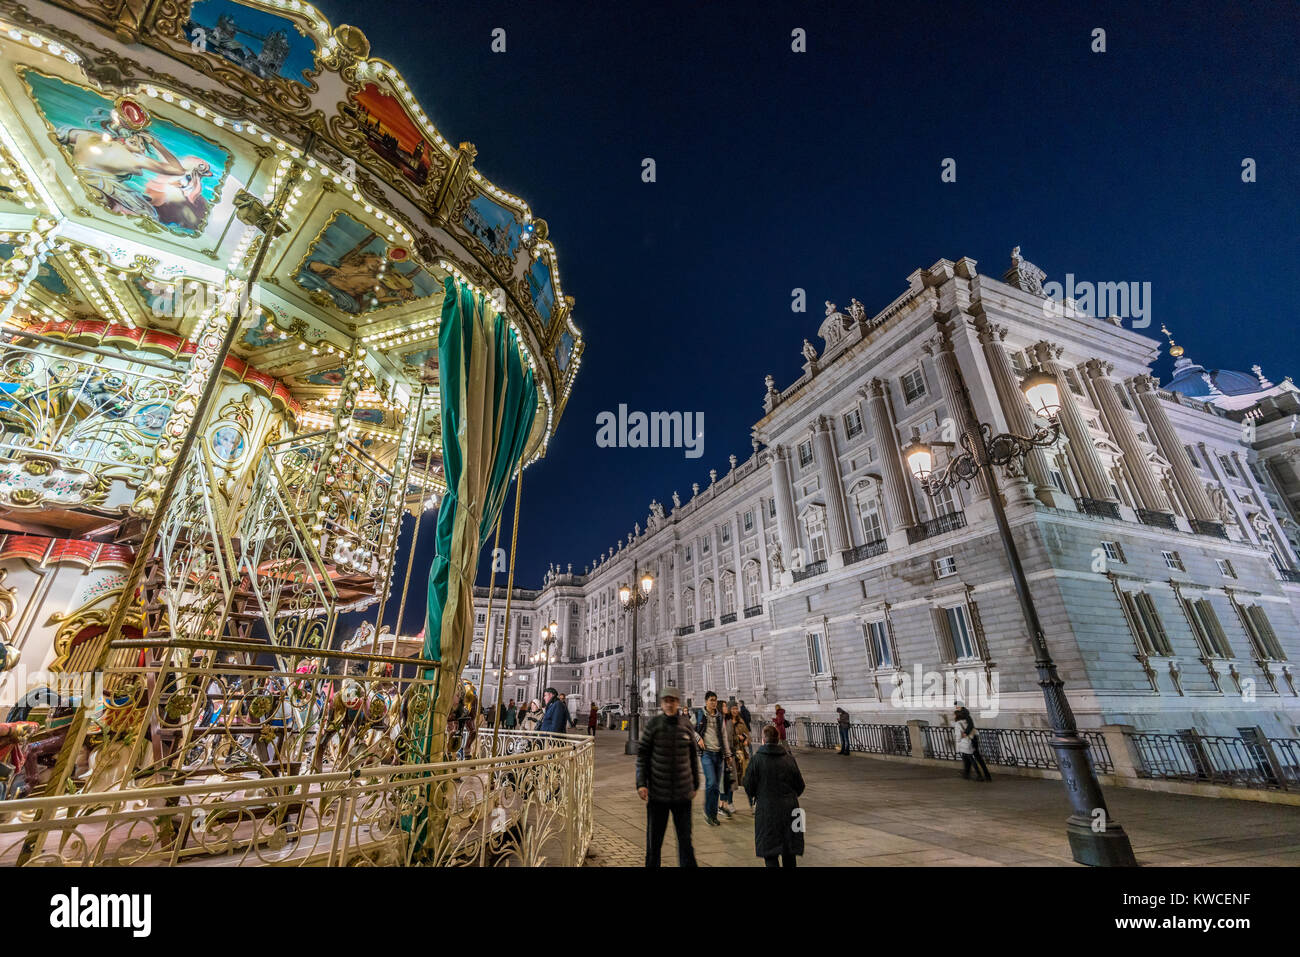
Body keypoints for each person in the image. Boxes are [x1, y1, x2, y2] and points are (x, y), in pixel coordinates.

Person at [635, 685, 700, 867]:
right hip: (658, 794)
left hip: (682, 794)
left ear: (678, 703)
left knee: (686, 842)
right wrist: (641, 783)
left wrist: (695, 783)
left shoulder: (686, 725)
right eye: (666, 701)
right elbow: (642, 756)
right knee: (654, 843)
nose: (669, 704)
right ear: (661, 704)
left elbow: (693, 757)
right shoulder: (653, 725)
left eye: (672, 701)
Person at [743, 723, 806, 868]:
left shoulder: (757, 760)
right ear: (778, 740)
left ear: (764, 740)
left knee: (770, 852)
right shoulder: (789, 759)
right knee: (789, 852)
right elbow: (800, 786)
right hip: (791, 810)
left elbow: (748, 785)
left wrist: (758, 794)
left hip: (767, 810)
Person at [693, 691, 733, 826]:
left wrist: (728, 755)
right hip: (706, 754)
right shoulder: (699, 714)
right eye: (711, 700)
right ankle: (707, 812)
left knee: (716, 786)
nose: (713, 703)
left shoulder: (719, 717)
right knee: (711, 783)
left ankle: (713, 815)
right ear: (706, 701)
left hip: (718, 754)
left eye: (715, 700)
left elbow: (724, 737)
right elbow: (689, 728)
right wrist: (698, 738)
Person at [954, 705, 992, 782]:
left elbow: (959, 735)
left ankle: (978, 775)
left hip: (966, 741)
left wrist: (963, 735)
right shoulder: (967, 719)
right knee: (975, 757)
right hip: (973, 739)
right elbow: (972, 727)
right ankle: (986, 775)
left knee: (971, 757)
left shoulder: (960, 722)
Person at [728, 702, 753, 808]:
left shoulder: (741, 720)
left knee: (747, 779)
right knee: (731, 780)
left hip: (743, 754)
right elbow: (727, 739)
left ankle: (752, 803)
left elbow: (747, 734)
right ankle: (730, 803)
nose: (735, 710)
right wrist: (738, 738)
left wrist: (747, 740)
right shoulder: (727, 722)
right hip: (732, 754)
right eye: (733, 708)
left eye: (736, 708)